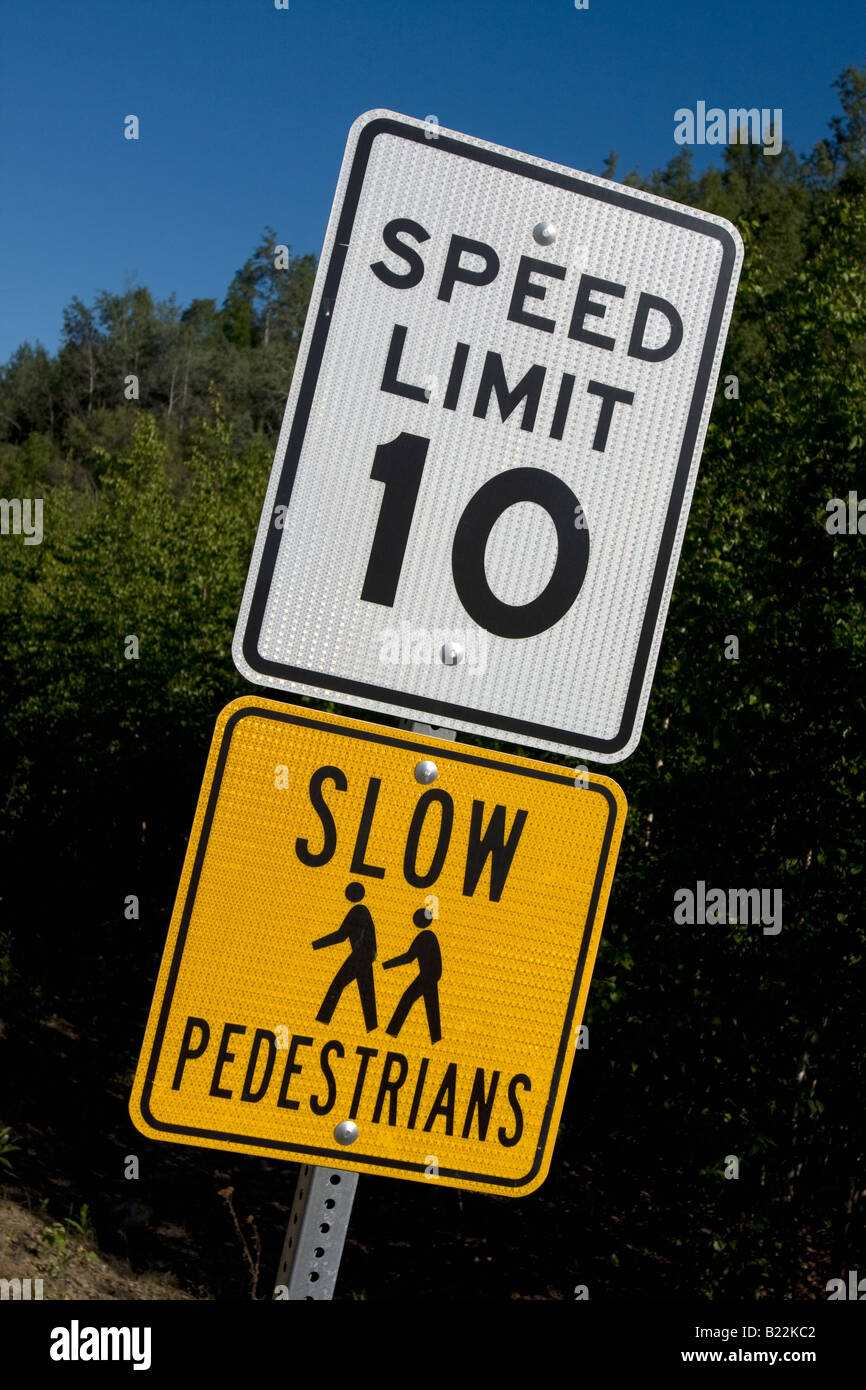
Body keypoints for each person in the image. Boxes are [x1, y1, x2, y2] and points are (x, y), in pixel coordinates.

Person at [313, 883, 378, 1032]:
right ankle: (372, 1027)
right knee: (366, 993)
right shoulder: (362, 910)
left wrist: (315, 945)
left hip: (360, 955)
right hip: (365, 956)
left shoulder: (358, 910)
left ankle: (322, 1020)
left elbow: (341, 935)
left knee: (337, 985)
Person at [382, 907, 442, 1044]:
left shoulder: (424, 936)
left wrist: (386, 965)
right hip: (431, 976)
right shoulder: (430, 936)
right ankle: (436, 1039)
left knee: (407, 999)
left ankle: (392, 1032)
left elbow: (409, 957)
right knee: (431, 1008)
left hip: (427, 976)